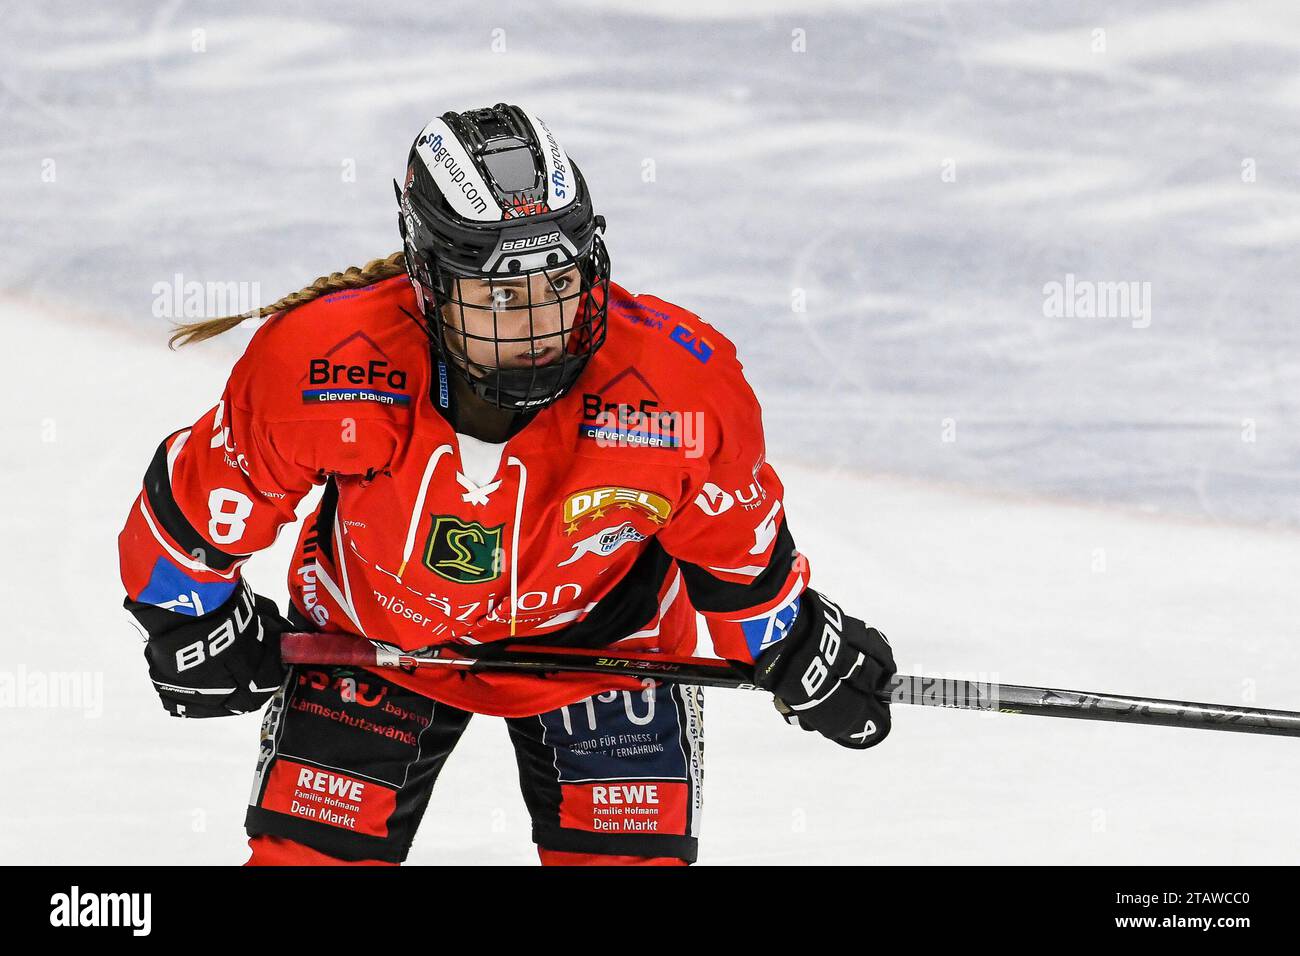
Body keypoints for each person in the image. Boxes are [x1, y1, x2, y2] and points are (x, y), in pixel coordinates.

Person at [117, 103, 897, 866]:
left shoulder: (679, 388)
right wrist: (192, 623)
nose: (541, 322)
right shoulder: (327, 366)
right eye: (501, 295)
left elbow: (739, 559)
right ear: (429, 281)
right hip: (371, 638)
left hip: (604, 643)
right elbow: (188, 527)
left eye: (560, 281)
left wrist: (793, 644)